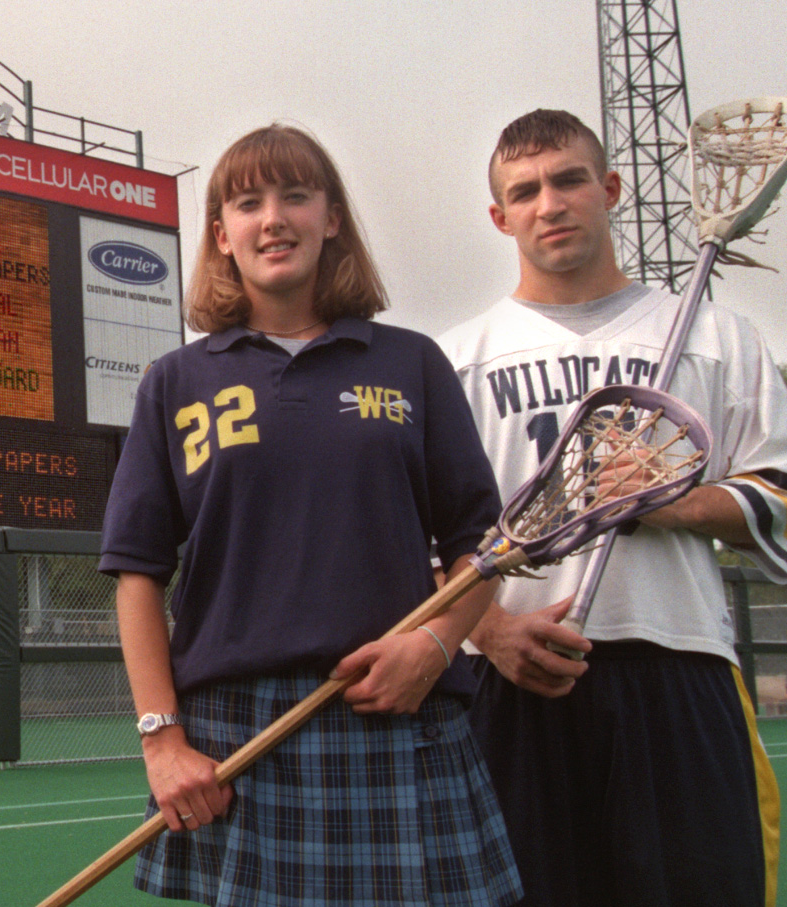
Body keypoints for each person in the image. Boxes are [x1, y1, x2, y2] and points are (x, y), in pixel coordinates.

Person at [99, 124, 521, 906]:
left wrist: (434, 643)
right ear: (221, 235)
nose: (273, 218)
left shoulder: (412, 363)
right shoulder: (173, 380)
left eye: (296, 195)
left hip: (402, 713)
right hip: (236, 733)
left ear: (332, 218)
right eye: (248, 201)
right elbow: (136, 573)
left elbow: (481, 544)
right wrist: (162, 740)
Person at [439, 108, 786, 907]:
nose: (548, 204)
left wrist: (674, 501)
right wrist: (489, 630)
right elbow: (414, 543)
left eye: (567, 180)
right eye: (523, 192)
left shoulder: (713, 335)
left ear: (609, 188)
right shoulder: (456, 361)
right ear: (499, 217)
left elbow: (777, 492)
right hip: (510, 676)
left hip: (677, 660)